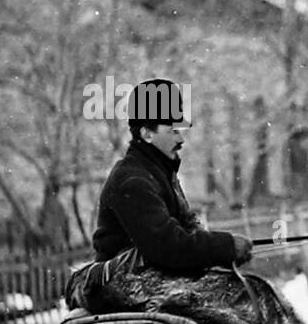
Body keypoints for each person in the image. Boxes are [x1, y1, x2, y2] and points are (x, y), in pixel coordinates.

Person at [91, 78, 253, 272]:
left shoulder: (158, 172)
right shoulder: (132, 181)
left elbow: (187, 230)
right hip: (123, 287)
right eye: (173, 130)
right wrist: (226, 246)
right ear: (147, 134)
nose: (181, 139)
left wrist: (224, 252)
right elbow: (169, 247)